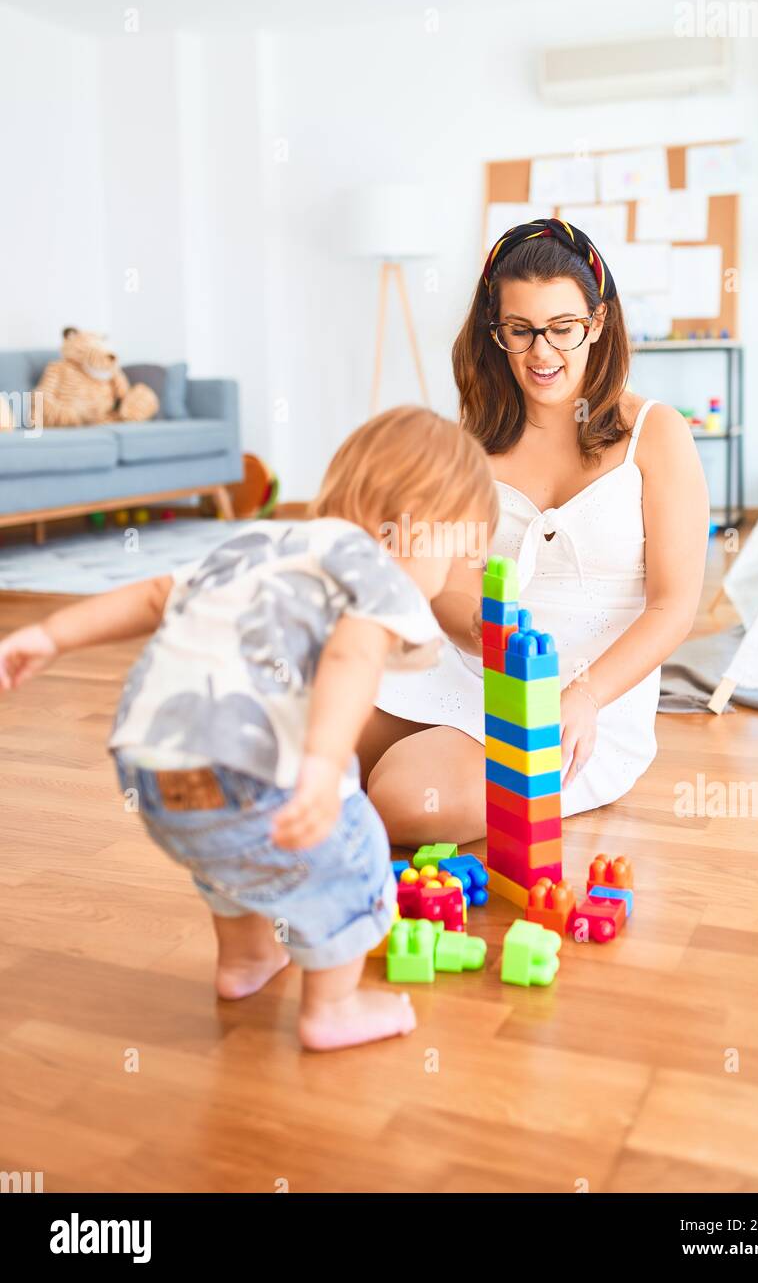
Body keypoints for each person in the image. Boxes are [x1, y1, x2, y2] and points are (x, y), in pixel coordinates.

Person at [0, 406, 498, 1051]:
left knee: (233, 850)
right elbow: (351, 656)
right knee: (355, 854)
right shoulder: (381, 569)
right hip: (244, 768)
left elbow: (154, 596)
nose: (444, 582)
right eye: (455, 556)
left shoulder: (261, 540)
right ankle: (333, 1008)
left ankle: (245, 960)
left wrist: (49, 635)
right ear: (416, 527)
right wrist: (321, 770)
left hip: (149, 763)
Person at [361, 218, 709, 846]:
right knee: (307, 732)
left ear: (597, 323)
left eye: (562, 329)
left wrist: (584, 696)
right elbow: (451, 587)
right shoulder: (474, 440)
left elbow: (674, 606)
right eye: (519, 331)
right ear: (495, 331)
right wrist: (476, 624)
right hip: (476, 670)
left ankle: (388, 789)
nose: (541, 354)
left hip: (584, 700)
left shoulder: (655, 434)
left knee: (405, 797)